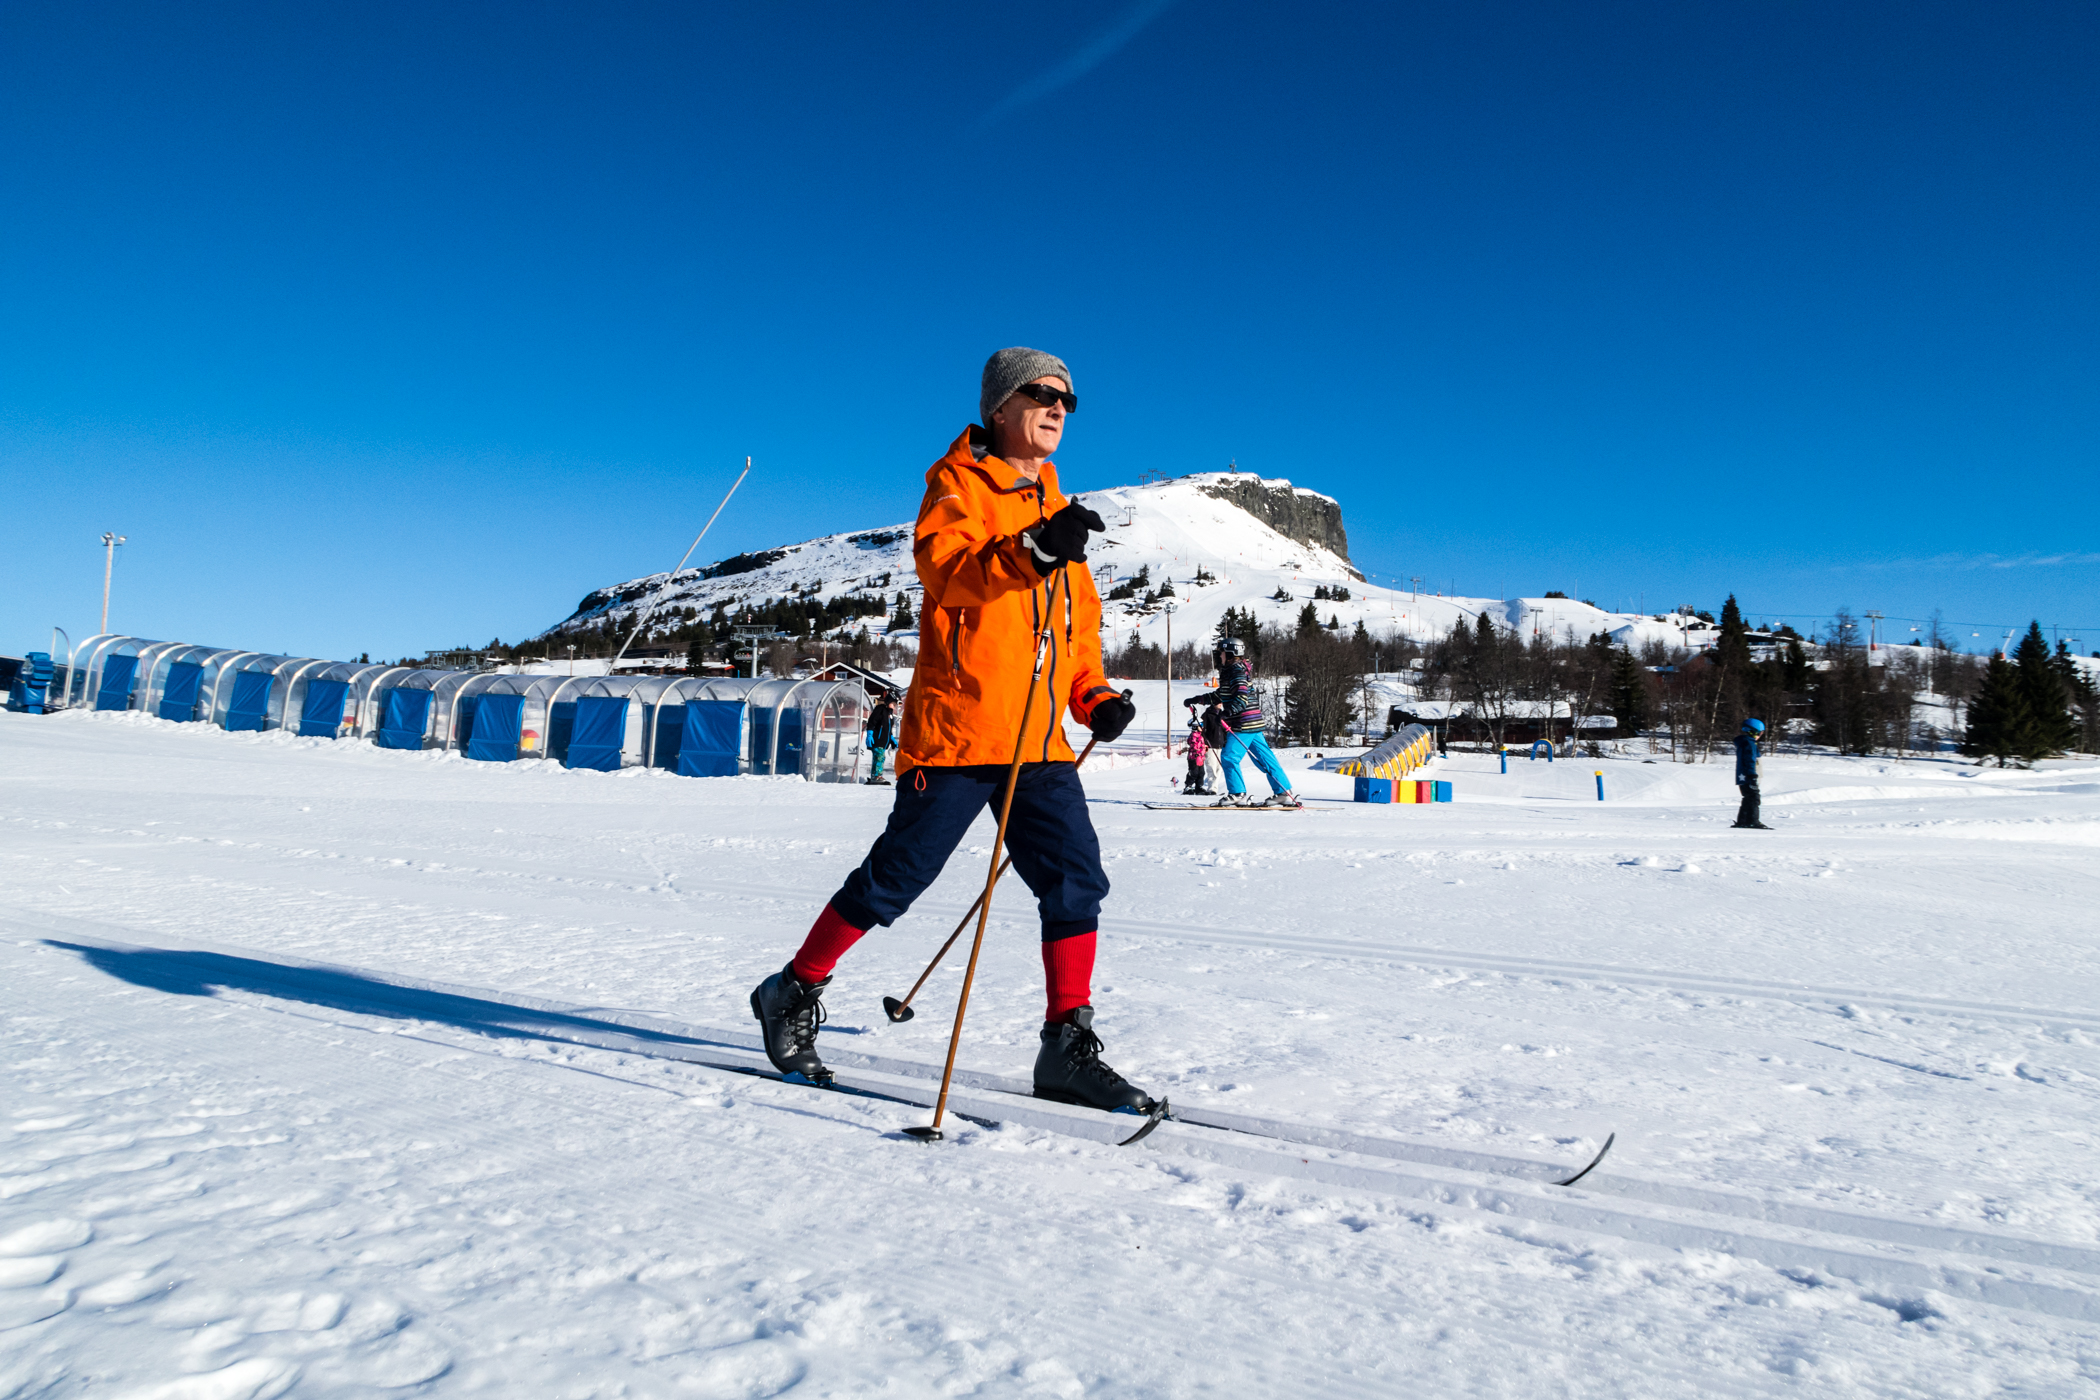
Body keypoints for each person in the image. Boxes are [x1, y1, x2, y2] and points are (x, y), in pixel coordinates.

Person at [749, 347, 1147, 1112]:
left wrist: (1093, 697)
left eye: (1068, 397)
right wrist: (1032, 552)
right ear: (1000, 407)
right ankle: (792, 990)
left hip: (1038, 746)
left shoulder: (1058, 513)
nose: (1059, 405)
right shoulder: (958, 485)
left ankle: (1065, 1043)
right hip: (959, 735)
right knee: (897, 878)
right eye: (1041, 392)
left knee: (1075, 881)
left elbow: (1074, 632)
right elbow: (950, 574)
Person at [1211, 638, 1300, 807]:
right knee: (1266, 759)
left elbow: (1241, 697)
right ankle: (1284, 793)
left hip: (1243, 723)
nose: (1220, 655)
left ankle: (1237, 794)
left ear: (1229, 654)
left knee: (1229, 756)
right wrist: (1199, 699)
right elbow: (1223, 694)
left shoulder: (1235, 671)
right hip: (1253, 723)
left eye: (1221, 652)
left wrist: (1227, 712)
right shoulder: (1236, 670)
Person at [1733, 718, 1772, 829]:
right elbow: (1750, 760)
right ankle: (1752, 821)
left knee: (1748, 798)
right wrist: (1752, 776)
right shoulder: (1749, 744)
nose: (1761, 735)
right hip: (1748, 776)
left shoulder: (1745, 743)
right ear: (1755, 732)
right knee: (1754, 798)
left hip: (1743, 776)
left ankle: (1743, 821)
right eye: (1761, 733)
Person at [863, 691, 897, 785]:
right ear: (888, 701)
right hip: (877, 740)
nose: (894, 706)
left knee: (878, 757)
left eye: (895, 705)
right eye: (893, 704)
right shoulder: (880, 709)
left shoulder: (889, 714)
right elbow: (872, 721)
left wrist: (892, 739)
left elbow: (888, 729)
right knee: (880, 757)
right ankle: (877, 776)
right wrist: (869, 734)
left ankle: (875, 775)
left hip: (883, 741)